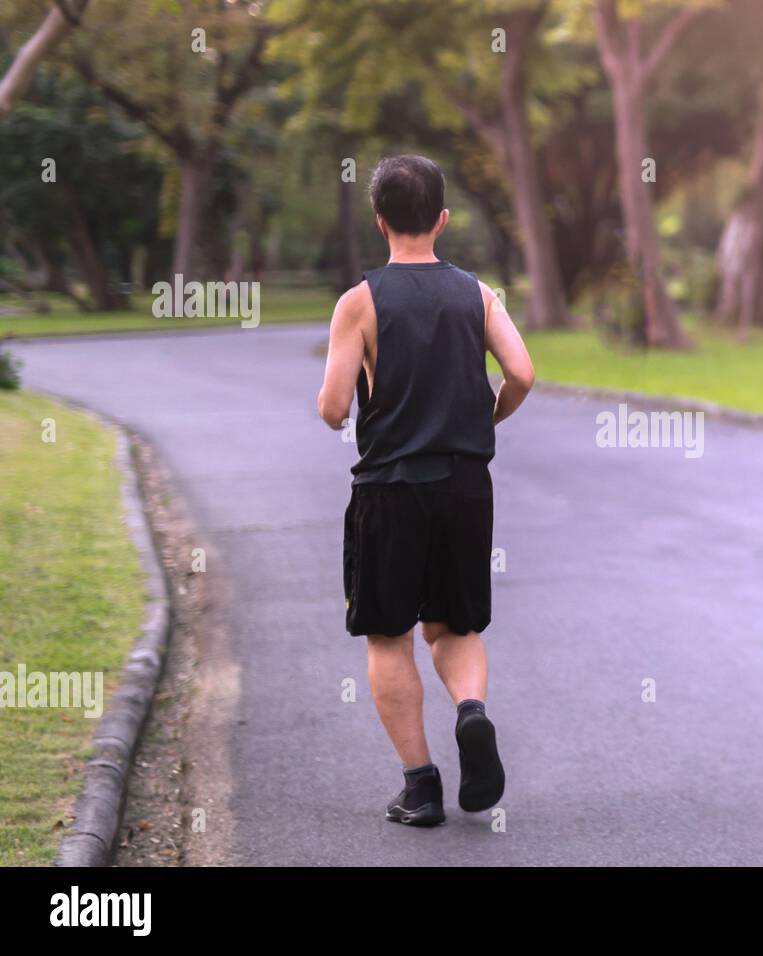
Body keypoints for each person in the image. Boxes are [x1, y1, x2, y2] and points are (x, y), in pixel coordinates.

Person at [317, 154, 535, 826]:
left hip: (391, 489)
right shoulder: (478, 293)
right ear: (442, 219)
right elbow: (522, 373)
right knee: (455, 624)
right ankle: (471, 712)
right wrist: (485, 417)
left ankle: (421, 786)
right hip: (466, 484)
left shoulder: (360, 301)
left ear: (381, 221)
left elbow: (332, 408)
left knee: (389, 635)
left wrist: (356, 398)